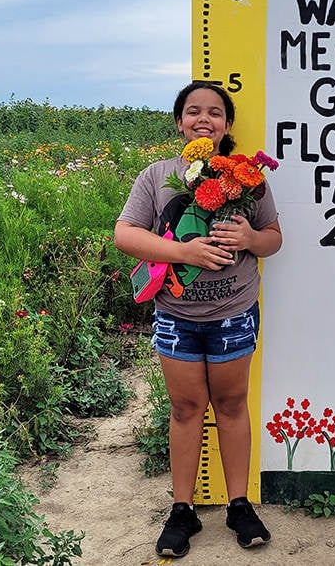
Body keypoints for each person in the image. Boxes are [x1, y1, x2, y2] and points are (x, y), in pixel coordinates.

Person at [114, 81, 282, 558]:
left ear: (227, 125)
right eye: (193, 111)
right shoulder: (157, 175)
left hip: (233, 312)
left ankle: (239, 505)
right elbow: (125, 235)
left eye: (214, 112)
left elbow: (274, 238)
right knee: (186, 410)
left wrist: (250, 236)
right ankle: (182, 510)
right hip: (176, 315)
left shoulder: (248, 178)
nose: (203, 119)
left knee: (231, 406)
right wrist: (182, 251)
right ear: (179, 121)